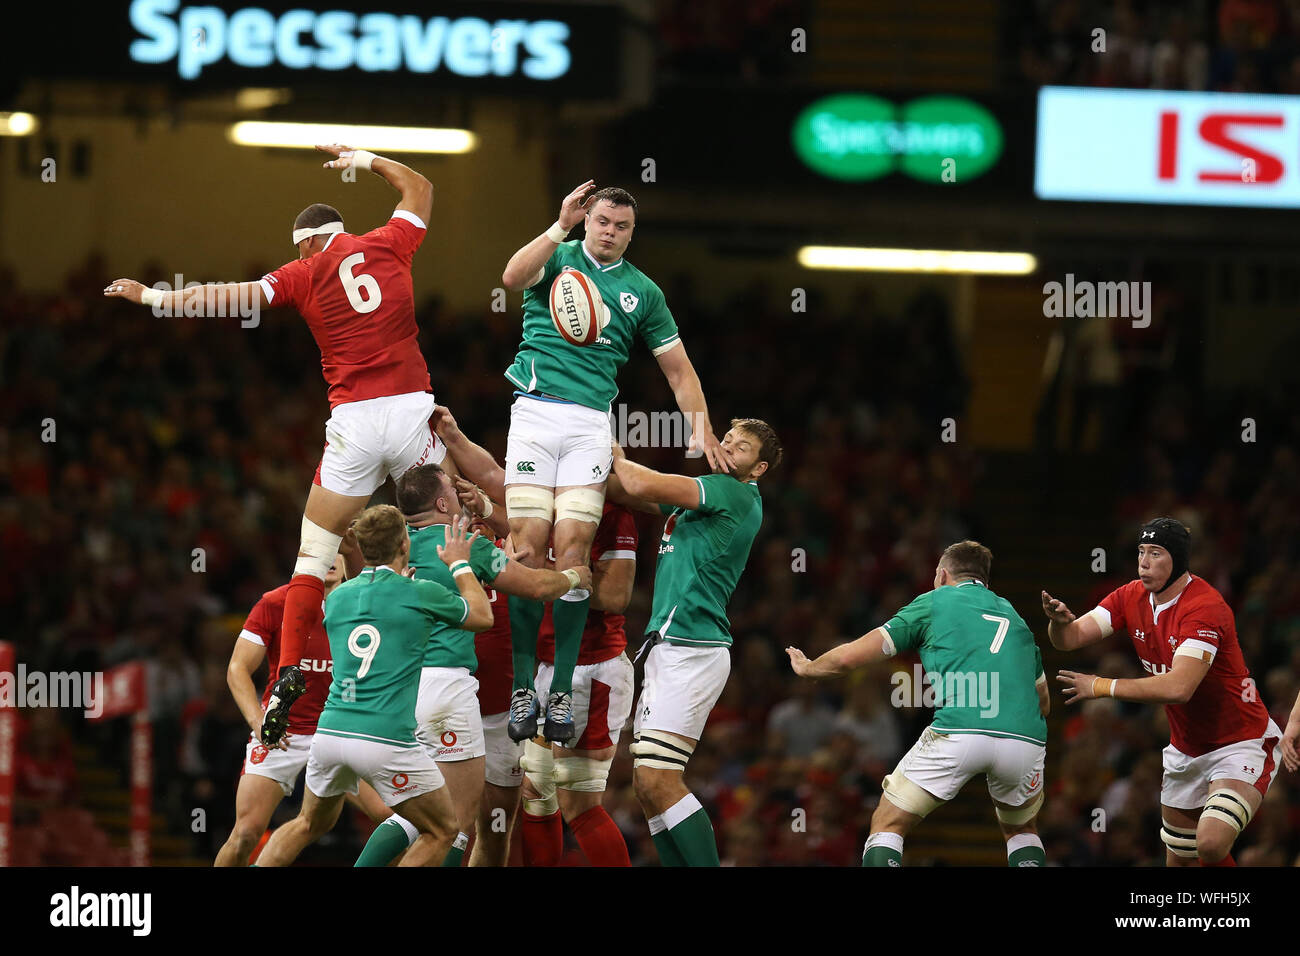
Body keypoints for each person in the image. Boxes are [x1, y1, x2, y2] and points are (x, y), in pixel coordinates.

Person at [105, 144, 453, 746]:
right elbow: (420, 188)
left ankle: (288, 672)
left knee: (312, 562)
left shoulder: (301, 273)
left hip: (354, 423)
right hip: (411, 410)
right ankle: (445, 658)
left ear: (305, 244)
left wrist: (154, 298)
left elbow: (227, 297)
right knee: (442, 536)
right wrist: (361, 156)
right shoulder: (389, 242)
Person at [497, 182, 733, 744]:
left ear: (632, 231)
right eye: (601, 221)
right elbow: (508, 280)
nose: (609, 231)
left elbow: (678, 370)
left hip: (588, 428)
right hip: (532, 415)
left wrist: (703, 432)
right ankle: (524, 685)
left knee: (576, 551)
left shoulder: (643, 292)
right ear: (586, 219)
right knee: (528, 548)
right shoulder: (554, 255)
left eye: (621, 226)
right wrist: (557, 225)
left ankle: (560, 696)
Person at [349, 465, 588, 867]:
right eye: (454, 493)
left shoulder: (395, 549)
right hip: (449, 691)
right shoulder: (464, 545)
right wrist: (574, 574)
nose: (462, 498)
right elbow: (535, 588)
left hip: (402, 692)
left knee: (438, 816)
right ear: (442, 503)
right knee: (451, 821)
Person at [788, 541, 1050, 867]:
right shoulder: (1016, 618)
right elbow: (1044, 702)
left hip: (962, 728)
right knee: (1021, 829)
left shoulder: (935, 602)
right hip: (1024, 737)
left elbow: (851, 658)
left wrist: (809, 668)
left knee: (888, 822)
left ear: (941, 575)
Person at [255, 507, 491, 867]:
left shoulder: (337, 598)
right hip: (385, 738)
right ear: (404, 543)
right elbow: (482, 616)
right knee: (444, 829)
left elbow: (371, 604)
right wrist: (459, 564)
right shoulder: (419, 592)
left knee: (306, 823)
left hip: (330, 732)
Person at [1044, 517, 1280, 867]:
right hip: (1185, 748)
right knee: (1181, 860)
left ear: (1178, 561)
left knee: (1211, 844)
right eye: (1141, 552)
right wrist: (1059, 624)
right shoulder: (1130, 596)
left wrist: (1102, 686)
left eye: (1155, 553)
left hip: (1239, 742)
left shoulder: (1204, 608)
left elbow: (1179, 687)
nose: (1144, 561)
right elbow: (1071, 639)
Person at [608, 419, 779, 866]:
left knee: (659, 781)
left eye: (741, 448)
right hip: (670, 646)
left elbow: (637, 480)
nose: (727, 449)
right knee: (647, 786)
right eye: (725, 440)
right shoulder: (708, 498)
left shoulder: (730, 492)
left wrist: (600, 441)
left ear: (757, 469)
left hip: (694, 647)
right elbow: (631, 491)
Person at [215, 555, 389, 865]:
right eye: (325, 546)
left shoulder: (366, 605)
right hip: (283, 731)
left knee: (392, 819)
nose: (331, 557)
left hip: (339, 732)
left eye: (339, 548)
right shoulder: (275, 602)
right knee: (245, 833)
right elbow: (237, 668)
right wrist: (259, 721)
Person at [519, 502, 639, 867]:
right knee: (536, 792)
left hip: (593, 670)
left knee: (580, 806)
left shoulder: (613, 514)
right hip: (549, 666)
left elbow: (617, 596)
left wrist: (555, 578)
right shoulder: (543, 503)